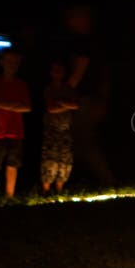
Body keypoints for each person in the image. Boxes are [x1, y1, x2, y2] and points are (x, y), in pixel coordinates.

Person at [61, 6, 114, 188]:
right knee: (82, 139)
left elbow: (80, 68)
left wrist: (67, 88)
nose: (70, 22)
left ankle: (104, 179)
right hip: (91, 98)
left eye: (74, 17)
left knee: (83, 139)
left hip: (87, 99)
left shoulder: (83, 43)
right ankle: (93, 178)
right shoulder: (92, 43)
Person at [0, 49, 30, 198]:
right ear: (2, 62)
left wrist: (8, 105)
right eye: (9, 61)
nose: (12, 65)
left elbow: (27, 107)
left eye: (15, 62)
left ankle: (9, 195)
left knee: (13, 164)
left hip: (16, 131)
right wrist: (15, 105)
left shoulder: (21, 84)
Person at [41, 59, 79, 194]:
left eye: (60, 70)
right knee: (50, 159)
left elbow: (75, 105)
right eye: (55, 70)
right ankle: (46, 190)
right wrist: (65, 104)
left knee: (64, 160)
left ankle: (59, 189)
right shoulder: (49, 89)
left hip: (66, 129)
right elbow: (51, 108)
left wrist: (61, 103)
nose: (57, 73)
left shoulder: (68, 89)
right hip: (51, 129)